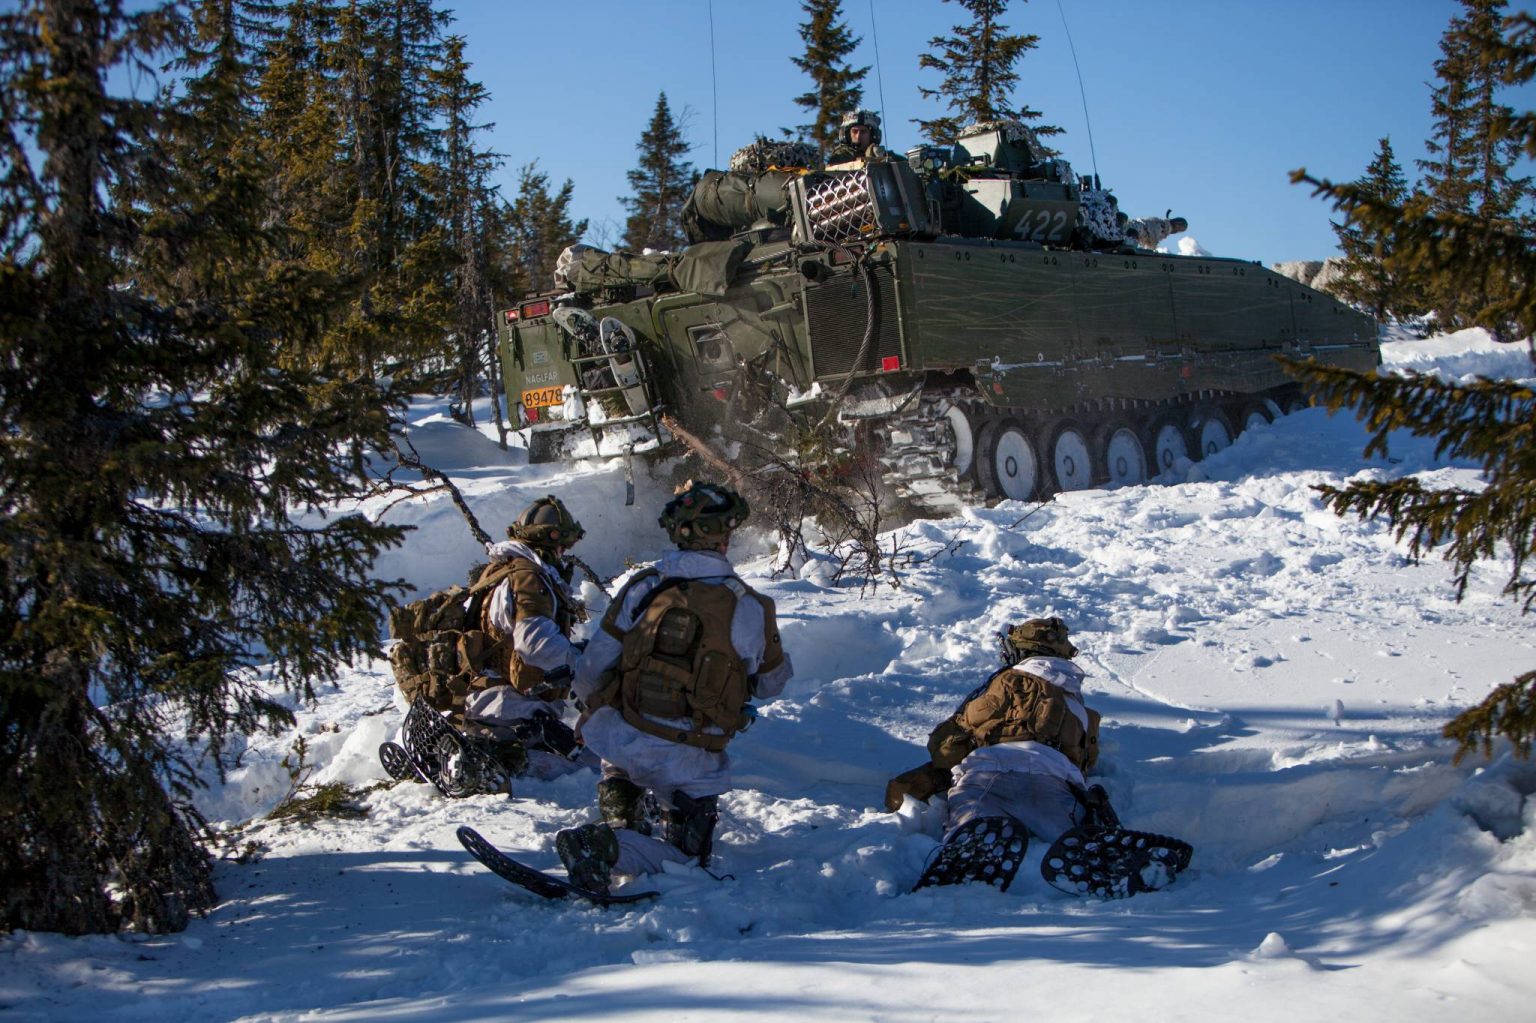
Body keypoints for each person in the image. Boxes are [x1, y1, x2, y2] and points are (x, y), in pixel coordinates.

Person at [556, 481, 793, 893]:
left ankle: (620, 820)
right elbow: (772, 684)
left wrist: (595, 711)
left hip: (623, 736)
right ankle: (605, 847)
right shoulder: (749, 606)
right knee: (687, 862)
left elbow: (593, 666)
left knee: (619, 758)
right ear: (724, 537)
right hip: (690, 756)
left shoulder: (644, 587)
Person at [903, 617, 1190, 898]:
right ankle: (1105, 858)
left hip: (989, 772)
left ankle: (969, 858)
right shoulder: (1077, 703)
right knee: (1070, 839)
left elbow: (947, 744)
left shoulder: (1006, 682)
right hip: (1052, 782)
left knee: (972, 826)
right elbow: (1085, 762)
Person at [462, 494, 591, 781]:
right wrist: (584, 663)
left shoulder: (503, 570)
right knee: (592, 771)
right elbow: (534, 643)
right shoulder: (529, 579)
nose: (563, 553)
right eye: (562, 546)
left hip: (494, 705)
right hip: (514, 711)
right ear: (550, 544)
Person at [826, 109, 891, 169]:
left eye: (863, 131)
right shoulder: (841, 155)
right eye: (854, 131)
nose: (858, 136)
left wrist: (883, 159)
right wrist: (869, 159)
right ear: (847, 135)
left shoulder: (880, 153)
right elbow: (832, 169)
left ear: (872, 135)